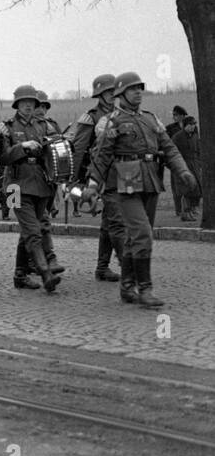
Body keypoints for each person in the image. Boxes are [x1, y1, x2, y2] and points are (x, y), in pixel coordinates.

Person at [83, 72, 197, 307]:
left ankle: (127, 286)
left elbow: (170, 148)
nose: (138, 92)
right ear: (121, 94)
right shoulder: (112, 121)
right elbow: (102, 156)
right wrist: (93, 186)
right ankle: (145, 289)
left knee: (137, 238)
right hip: (127, 185)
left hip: (151, 181)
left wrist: (183, 171)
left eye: (140, 88)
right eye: (133, 88)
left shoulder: (151, 119)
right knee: (142, 234)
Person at [1, 85, 65, 292]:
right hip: (14, 186)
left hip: (40, 183)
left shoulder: (43, 126)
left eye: (32, 102)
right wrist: (23, 147)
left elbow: (55, 147)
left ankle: (20, 275)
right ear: (17, 104)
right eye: (24, 102)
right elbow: (3, 157)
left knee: (28, 230)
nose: (28, 106)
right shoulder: (7, 127)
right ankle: (45, 272)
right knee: (33, 231)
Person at [70, 73, 122, 279]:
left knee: (114, 219)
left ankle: (105, 266)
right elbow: (79, 149)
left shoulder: (121, 114)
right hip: (102, 173)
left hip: (124, 172)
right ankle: (108, 265)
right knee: (113, 218)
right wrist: (73, 180)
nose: (111, 95)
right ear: (99, 95)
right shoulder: (90, 117)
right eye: (107, 92)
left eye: (113, 91)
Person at [174, 116, 201, 220]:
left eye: (194, 124)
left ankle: (192, 210)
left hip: (194, 165)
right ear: (185, 125)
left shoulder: (195, 136)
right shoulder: (177, 137)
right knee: (186, 190)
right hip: (183, 166)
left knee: (196, 189)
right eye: (190, 125)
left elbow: (198, 151)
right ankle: (185, 213)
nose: (192, 127)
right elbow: (173, 153)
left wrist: (199, 164)